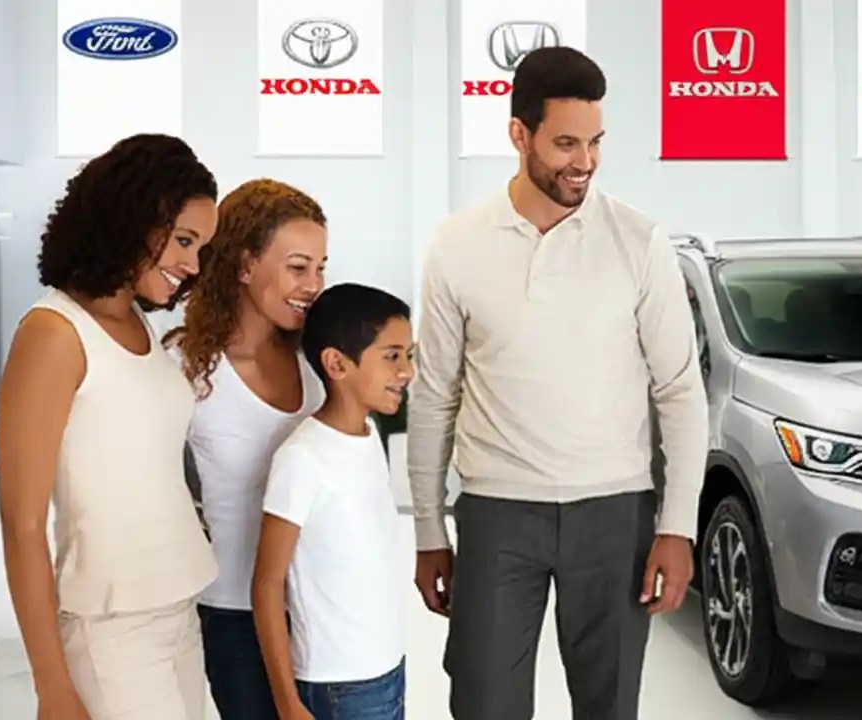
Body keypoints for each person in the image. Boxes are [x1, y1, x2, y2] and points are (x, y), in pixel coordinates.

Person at [408, 46, 709, 720]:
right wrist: (429, 529)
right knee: (485, 704)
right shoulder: (457, 245)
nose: (586, 161)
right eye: (566, 142)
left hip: (616, 511)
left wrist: (677, 527)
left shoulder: (638, 240)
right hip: (496, 513)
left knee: (608, 707)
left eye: (596, 141)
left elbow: (679, 390)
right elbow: (434, 394)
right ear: (520, 135)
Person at [0, 133, 220, 720]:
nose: (192, 265)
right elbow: (21, 524)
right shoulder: (53, 333)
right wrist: (52, 687)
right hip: (110, 632)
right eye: (184, 241)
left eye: (201, 247)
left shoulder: (142, 326)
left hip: (177, 607)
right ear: (133, 220)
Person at [163, 178, 329, 719]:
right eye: (298, 267)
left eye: (320, 268)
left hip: (321, 606)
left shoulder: (321, 362)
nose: (313, 284)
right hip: (234, 614)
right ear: (243, 265)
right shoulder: (186, 367)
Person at [252, 283, 413, 720]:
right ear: (337, 364)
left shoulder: (368, 434)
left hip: (387, 669)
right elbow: (267, 586)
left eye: (409, 356)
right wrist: (288, 704)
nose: (407, 372)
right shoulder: (302, 459)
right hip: (338, 686)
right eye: (392, 355)